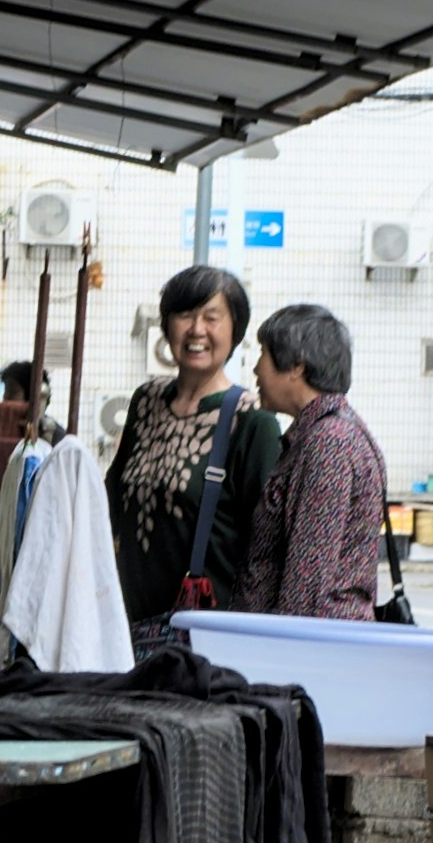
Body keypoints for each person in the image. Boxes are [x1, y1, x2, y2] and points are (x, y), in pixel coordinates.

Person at [106, 265, 285, 620]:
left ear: (236, 330)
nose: (196, 329)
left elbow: (267, 548)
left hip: (206, 637)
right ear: (167, 325)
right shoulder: (146, 401)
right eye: (184, 315)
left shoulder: (254, 422)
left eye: (211, 317)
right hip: (128, 624)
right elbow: (111, 501)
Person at [243, 303, 390, 622]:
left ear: (296, 366)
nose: (256, 370)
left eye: (263, 355)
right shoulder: (323, 432)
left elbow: (306, 585)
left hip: (312, 653)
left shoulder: (329, 442)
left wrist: (279, 660)